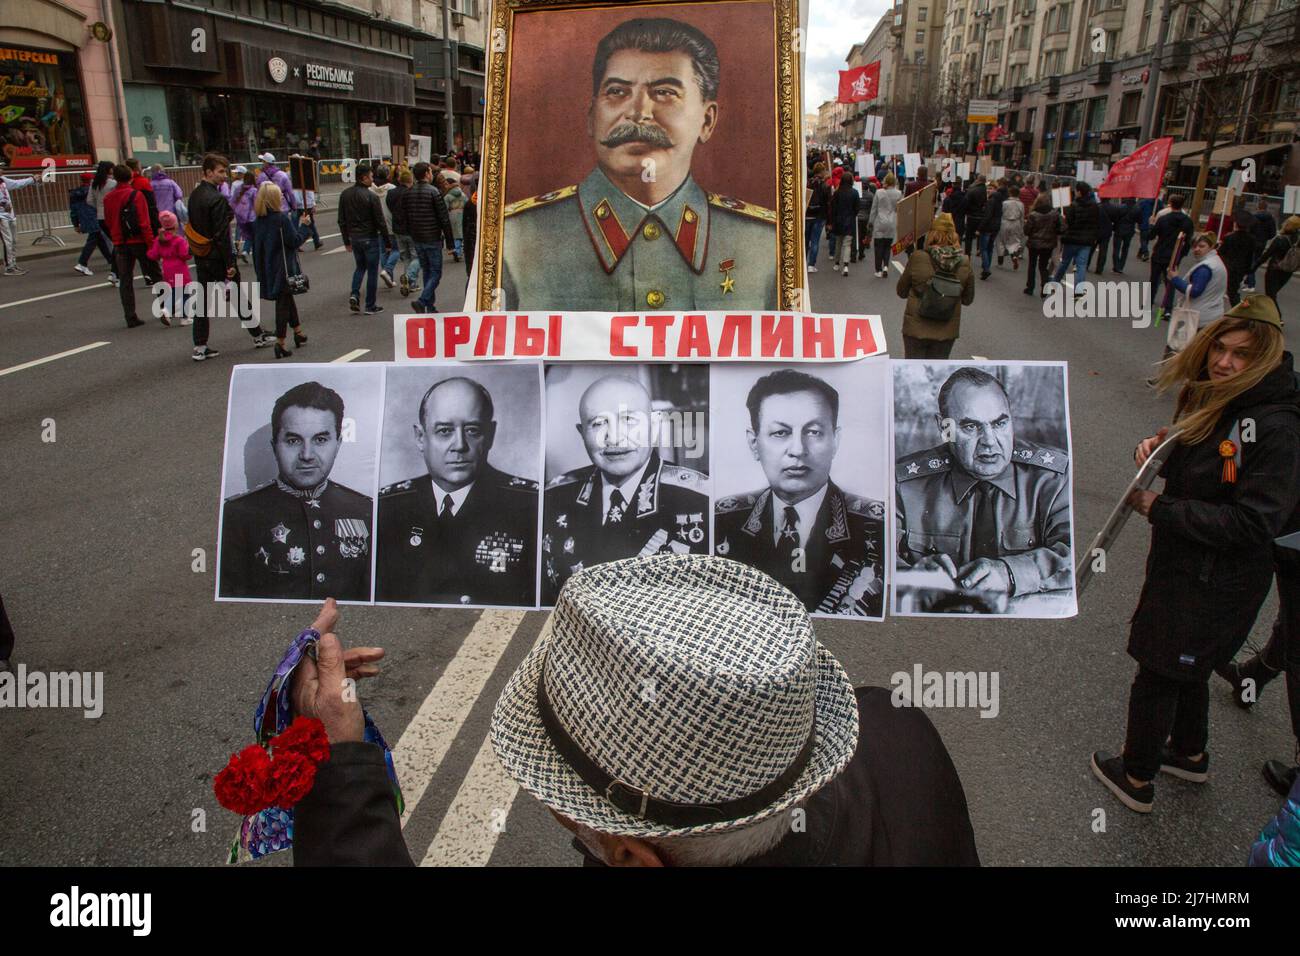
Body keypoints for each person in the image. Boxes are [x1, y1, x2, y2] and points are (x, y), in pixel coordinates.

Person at [289, 555, 980, 866]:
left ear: (631, 858)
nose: (547, 802)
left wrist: (338, 762)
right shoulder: (899, 729)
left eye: (555, 790)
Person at [1092, 296, 1300, 813]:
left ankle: (1136, 775)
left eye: (1242, 355)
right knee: (1189, 664)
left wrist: (1159, 508)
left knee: (1160, 667)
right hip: (1193, 567)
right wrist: (1157, 448)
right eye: (1220, 349)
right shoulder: (1228, 399)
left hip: (1216, 578)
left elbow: (1254, 521)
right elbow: (1214, 466)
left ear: (1269, 357)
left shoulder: (1277, 426)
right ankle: (1189, 752)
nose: (1225, 362)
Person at [500, 18, 778, 310]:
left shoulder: (765, 246)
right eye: (617, 91)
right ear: (592, 117)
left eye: (665, 92)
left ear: (706, 121)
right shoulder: (514, 240)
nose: (637, 113)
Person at [714, 370, 886, 617]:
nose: (797, 450)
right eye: (780, 433)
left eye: (813, 432)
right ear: (754, 444)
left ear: (835, 441)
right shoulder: (722, 520)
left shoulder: (878, 525)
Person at [895, 367, 1072, 605]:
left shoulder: (1053, 478)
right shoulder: (904, 484)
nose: (989, 441)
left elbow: (1075, 554)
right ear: (944, 427)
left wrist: (1010, 573)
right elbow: (875, 559)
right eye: (971, 427)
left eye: (999, 423)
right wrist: (911, 577)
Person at [541, 375, 709, 603]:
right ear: (582, 433)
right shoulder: (554, 497)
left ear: (656, 425)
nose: (614, 437)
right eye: (598, 423)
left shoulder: (700, 498)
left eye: (629, 419)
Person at [375, 377, 539, 605]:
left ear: (490, 435)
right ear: (420, 438)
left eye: (472, 430)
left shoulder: (531, 506)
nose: (459, 444)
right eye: (444, 431)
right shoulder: (387, 507)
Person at [219, 381, 373, 601]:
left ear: (338, 444)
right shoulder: (239, 514)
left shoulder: (365, 509)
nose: (307, 454)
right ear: (274, 446)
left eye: (320, 439)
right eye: (293, 440)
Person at [187, 154, 274, 360]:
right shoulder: (216, 199)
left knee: (203, 300)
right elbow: (221, 235)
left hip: (202, 254)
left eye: (225, 171)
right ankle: (257, 335)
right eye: (220, 172)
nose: (224, 176)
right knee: (237, 295)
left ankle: (200, 346)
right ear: (208, 172)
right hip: (218, 256)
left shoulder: (195, 195)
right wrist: (229, 263)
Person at [896, 213, 973, 360]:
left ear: (931, 234)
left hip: (916, 328)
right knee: (936, 377)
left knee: (913, 373)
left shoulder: (918, 257)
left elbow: (901, 291)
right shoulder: (964, 262)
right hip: (946, 330)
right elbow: (968, 299)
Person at [251, 182, 309, 359]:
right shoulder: (281, 219)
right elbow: (295, 240)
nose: (283, 197)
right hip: (283, 267)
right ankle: (280, 342)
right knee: (283, 304)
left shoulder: (258, 221)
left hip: (268, 266)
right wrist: (304, 225)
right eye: (280, 195)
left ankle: (298, 331)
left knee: (287, 298)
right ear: (273, 199)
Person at [102, 164, 159, 328]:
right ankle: (166, 307)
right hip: (139, 241)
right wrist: (151, 244)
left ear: (115, 178)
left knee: (125, 280)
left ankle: (130, 316)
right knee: (155, 275)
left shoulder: (108, 198)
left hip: (120, 243)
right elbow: (144, 222)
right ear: (131, 177)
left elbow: (108, 221)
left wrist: (116, 236)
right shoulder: (136, 195)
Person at [397, 162, 454, 313]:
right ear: (427, 173)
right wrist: (450, 242)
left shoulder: (408, 193)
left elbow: (404, 217)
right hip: (432, 237)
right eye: (430, 171)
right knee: (436, 272)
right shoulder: (433, 192)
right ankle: (423, 301)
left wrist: (412, 232)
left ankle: (430, 305)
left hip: (418, 238)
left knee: (427, 271)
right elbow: (444, 218)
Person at [338, 162, 392, 315]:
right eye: (371, 176)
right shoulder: (371, 196)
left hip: (354, 238)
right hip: (370, 237)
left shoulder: (345, 195)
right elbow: (380, 221)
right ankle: (370, 304)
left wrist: (346, 241)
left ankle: (354, 294)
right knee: (372, 271)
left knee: (360, 267)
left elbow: (341, 220)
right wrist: (387, 242)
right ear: (364, 178)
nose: (373, 179)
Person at [1165, 231, 1229, 330]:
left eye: (1201, 246)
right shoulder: (1216, 261)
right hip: (1212, 314)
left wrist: (1175, 279)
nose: (1196, 249)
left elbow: (1194, 291)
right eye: (1194, 246)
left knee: (1179, 344)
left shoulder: (1206, 267)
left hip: (1200, 317)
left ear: (1211, 246)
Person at [1050, 181, 1100, 295]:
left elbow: (1069, 222)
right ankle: (1079, 291)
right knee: (1081, 266)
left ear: (1079, 192)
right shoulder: (1094, 206)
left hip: (1072, 239)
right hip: (1086, 240)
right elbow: (1096, 223)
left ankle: (1055, 283)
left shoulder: (1074, 205)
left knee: (1064, 262)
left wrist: (1064, 219)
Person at [1149, 191, 1194, 309]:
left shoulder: (1163, 219)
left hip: (1160, 252)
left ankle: (1149, 303)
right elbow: (1188, 241)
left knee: (1154, 279)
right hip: (1175, 254)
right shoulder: (1187, 221)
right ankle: (1168, 308)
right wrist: (1182, 254)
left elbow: (1151, 236)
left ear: (1170, 204)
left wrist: (1151, 224)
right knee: (1170, 281)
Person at [146, 210, 191, 326]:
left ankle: (169, 311)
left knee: (175, 291)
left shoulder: (159, 240)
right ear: (175, 225)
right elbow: (185, 255)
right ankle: (180, 316)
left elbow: (153, 255)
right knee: (184, 293)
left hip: (167, 269)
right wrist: (191, 250)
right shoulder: (179, 240)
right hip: (180, 268)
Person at [70, 172, 115, 280]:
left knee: (99, 239)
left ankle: (111, 259)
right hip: (95, 217)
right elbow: (96, 203)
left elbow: (73, 211)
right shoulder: (93, 190)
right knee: (93, 239)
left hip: (84, 219)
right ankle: (82, 263)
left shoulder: (75, 193)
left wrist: (76, 224)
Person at [1253, 215, 1300, 306]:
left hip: (1275, 269)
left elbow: (1267, 255)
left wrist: (1254, 267)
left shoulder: (1280, 240)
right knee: (1272, 294)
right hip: (1287, 270)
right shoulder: (1297, 239)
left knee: (1270, 295)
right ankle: (1271, 316)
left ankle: (1277, 317)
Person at [387, 168, 420, 297]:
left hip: (397, 228)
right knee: (416, 256)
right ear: (410, 180)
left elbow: (390, 208)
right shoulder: (411, 193)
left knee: (405, 256)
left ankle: (409, 283)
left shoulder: (391, 193)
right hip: (410, 229)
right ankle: (409, 277)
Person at [1217, 208, 1259, 307]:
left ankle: (1237, 309)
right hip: (1241, 268)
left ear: (1236, 224)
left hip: (1228, 266)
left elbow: (1221, 252)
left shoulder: (1229, 238)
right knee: (1233, 290)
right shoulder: (1252, 239)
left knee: (1229, 292)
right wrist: (1248, 270)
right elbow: (1250, 256)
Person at [1024, 192, 1061, 298]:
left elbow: (1027, 230)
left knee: (1032, 265)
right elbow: (1061, 228)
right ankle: (1044, 287)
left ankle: (1030, 287)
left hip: (1034, 243)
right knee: (1043, 266)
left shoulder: (1033, 214)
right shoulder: (1054, 214)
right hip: (1048, 244)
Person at [369, 165, 400, 289]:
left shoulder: (371, 190)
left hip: (378, 224)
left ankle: (388, 276)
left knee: (383, 251)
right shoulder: (392, 188)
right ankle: (387, 271)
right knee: (396, 249)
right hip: (390, 222)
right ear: (388, 175)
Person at [0, 172, 35, 276]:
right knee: (8, 241)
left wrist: (32, 179)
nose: (1, 169)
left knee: (14, 240)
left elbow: (17, 183)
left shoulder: (3, 180)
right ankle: (9, 267)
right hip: (1, 216)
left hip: (10, 215)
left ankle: (13, 263)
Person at [867, 172, 901, 278]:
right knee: (887, 246)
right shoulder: (899, 194)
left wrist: (870, 223)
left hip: (880, 221)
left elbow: (874, 209)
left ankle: (878, 270)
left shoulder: (879, 192)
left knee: (878, 246)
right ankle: (886, 265)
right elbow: (898, 209)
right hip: (891, 221)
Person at [828, 171, 859, 277]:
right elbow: (856, 208)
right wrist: (852, 215)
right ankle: (846, 265)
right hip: (849, 220)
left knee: (838, 242)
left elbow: (833, 208)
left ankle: (837, 263)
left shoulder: (837, 192)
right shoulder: (855, 192)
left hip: (838, 220)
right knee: (847, 244)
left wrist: (831, 221)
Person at [975, 179, 1006, 279]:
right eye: (988, 188)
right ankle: (987, 266)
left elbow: (987, 216)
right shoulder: (999, 200)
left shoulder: (991, 200)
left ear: (995, 189)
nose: (988, 190)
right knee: (990, 248)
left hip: (988, 227)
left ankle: (986, 268)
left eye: (991, 188)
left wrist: (979, 228)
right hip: (996, 227)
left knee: (984, 248)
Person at [1246, 198, 1279, 292]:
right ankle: (1248, 281)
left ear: (1258, 207)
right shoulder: (1270, 219)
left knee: (1250, 261)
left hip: (1253, 242)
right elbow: (1273, 233)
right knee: (1255, 260)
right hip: (1262, 242)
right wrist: (1265, 238)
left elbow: (1249, 229)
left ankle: (1251, 283)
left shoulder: (1254, 218)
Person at [803, 162, 830, 273]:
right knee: (815, 241)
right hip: (819, 216)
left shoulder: (807, 183)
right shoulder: (825, 186)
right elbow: (828, 203)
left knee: (806, 240)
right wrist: (827, 218)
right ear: (821, 172)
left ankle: (803, 263)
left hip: (808, 215)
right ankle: (811, 265)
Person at [438, 171, 468, 263]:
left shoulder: (447, 196)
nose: (445, 186)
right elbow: (467, 203)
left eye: (446, 184)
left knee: (455, 234)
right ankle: (460, 251)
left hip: (452, 215)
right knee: (460, 233)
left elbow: (444, 208)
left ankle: (457, 251)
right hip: (462, 214)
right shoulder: (463, 194)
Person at [995, 183, 1024, 272]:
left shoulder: (1005, 203)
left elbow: (1000, 213)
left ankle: (1000, 262)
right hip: (1016, 223)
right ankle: (1014, 255)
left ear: (1010, 193)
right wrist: (1021, 228)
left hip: (1005, 222)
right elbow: (1022, 216)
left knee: (1000, 241)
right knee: (1013, 242)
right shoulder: (1021, 204)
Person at [1092, 194, 1121, 274]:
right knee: (1103, 251)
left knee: (1091, 249)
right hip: (1107, 231)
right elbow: (1116, 220)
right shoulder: (1114, 208)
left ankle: (1086, 264)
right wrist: (1113, 228)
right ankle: (1099, 269)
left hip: (1096, 230)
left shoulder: (1097, 207)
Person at [1111, 197, 1139, 274]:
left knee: (1116, 248)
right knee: (1125, 249)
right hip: (1130, 230)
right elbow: (1138, 220)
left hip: (1119, 229)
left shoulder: (1121, 207)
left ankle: (1116, 266)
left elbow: (1115, 218)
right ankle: (1121, 266)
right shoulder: (1137, 209)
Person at [962, 175, 987, 258]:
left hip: (972, 216)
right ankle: (979, 249)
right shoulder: (987, 191)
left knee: (969, 237)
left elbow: (966, 203)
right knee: (981, 234)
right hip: (982, 216)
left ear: (978, 180)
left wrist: (966, 212)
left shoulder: (972, 190)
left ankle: (967, 254)